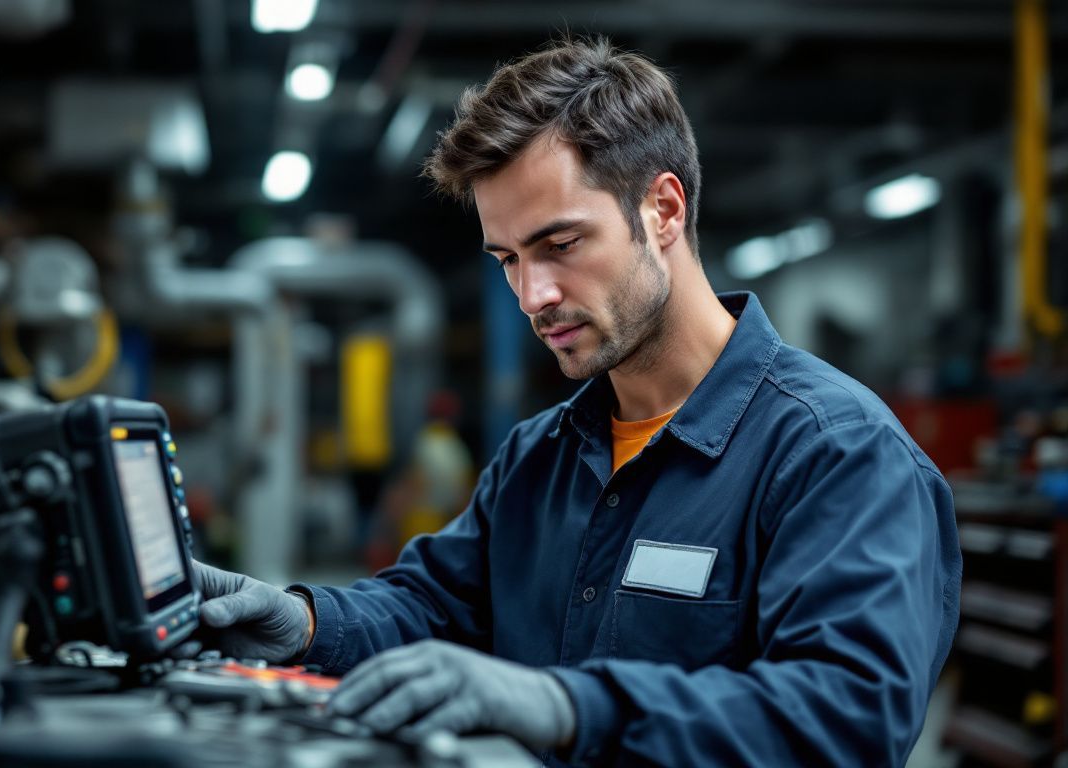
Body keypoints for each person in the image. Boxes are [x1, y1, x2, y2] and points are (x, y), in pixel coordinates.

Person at [192, 37, 961, 766]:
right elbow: (431, 608)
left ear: (663, 210)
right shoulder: (541, 458)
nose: (534, 295)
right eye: (508, 259)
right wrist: (302, 623)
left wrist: (570, 707)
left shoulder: (837, 455)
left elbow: (842, 722)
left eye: (560, 246)